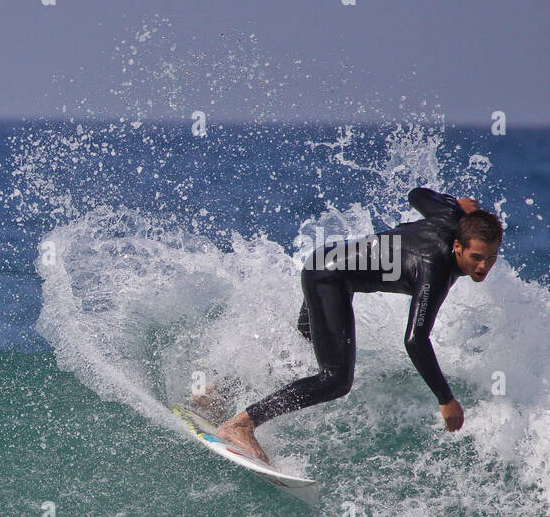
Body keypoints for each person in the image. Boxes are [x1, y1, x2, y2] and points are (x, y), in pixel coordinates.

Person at [207, 188, 503, 463]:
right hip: (328, 278)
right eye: (476, 257)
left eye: (491, 258)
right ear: (457, 246)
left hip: (325, 262)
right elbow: (415, 341)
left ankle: (220, 390)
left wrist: (455, 206)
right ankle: (241, 425)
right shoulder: (435, 269)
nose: (483, 267)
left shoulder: (451, 219)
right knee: (335, 380)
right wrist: (445, 398)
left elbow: (417, 195)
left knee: (304, 355)